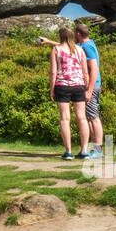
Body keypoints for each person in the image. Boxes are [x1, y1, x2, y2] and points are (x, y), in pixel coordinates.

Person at [39, 27, 90, 160]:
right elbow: (85, 72)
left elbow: (53, 72)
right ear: (72, 36)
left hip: (62, 86)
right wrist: (87, 88)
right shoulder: (80, 50)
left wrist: (51, 89)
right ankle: (84, 150)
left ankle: (68, 152)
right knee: (82, 118)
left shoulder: (56, 50)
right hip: (79, 86)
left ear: (60, 36)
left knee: (65, 118)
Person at [75, 22, 103, 158]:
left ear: (78, 34)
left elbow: (94, 69)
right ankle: (95, 150)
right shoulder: (86, 45)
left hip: (93, 86)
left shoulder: (86, 47)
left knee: (94, 118)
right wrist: (50, 42)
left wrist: (89, 91)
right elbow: (67, 47)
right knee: (90, 117)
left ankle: (98, 151)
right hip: (91, 86)